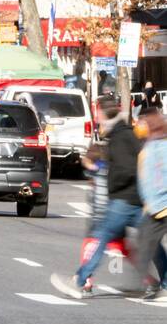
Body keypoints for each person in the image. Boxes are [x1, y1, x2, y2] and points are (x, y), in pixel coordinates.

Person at [53, 98, 143, 299]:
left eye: (97, 113)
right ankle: (157, 282)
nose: (96, 117)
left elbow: (127, 169)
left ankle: (80, 281)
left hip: (123, 200)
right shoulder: (125, 133)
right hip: (135, 199)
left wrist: (113, 184)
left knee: (101, 240)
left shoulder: (119, 136)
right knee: (149, 241)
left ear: (102, 113)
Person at [135, 110, 167, 301]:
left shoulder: (156, 148)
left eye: (141, 123)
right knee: (150, 245)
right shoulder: (150, 146)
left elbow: (154, 179)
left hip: (159, 206)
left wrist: (154, 204)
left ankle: (156, 284)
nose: (138, 127)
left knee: (147, 245)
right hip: (155, 206)